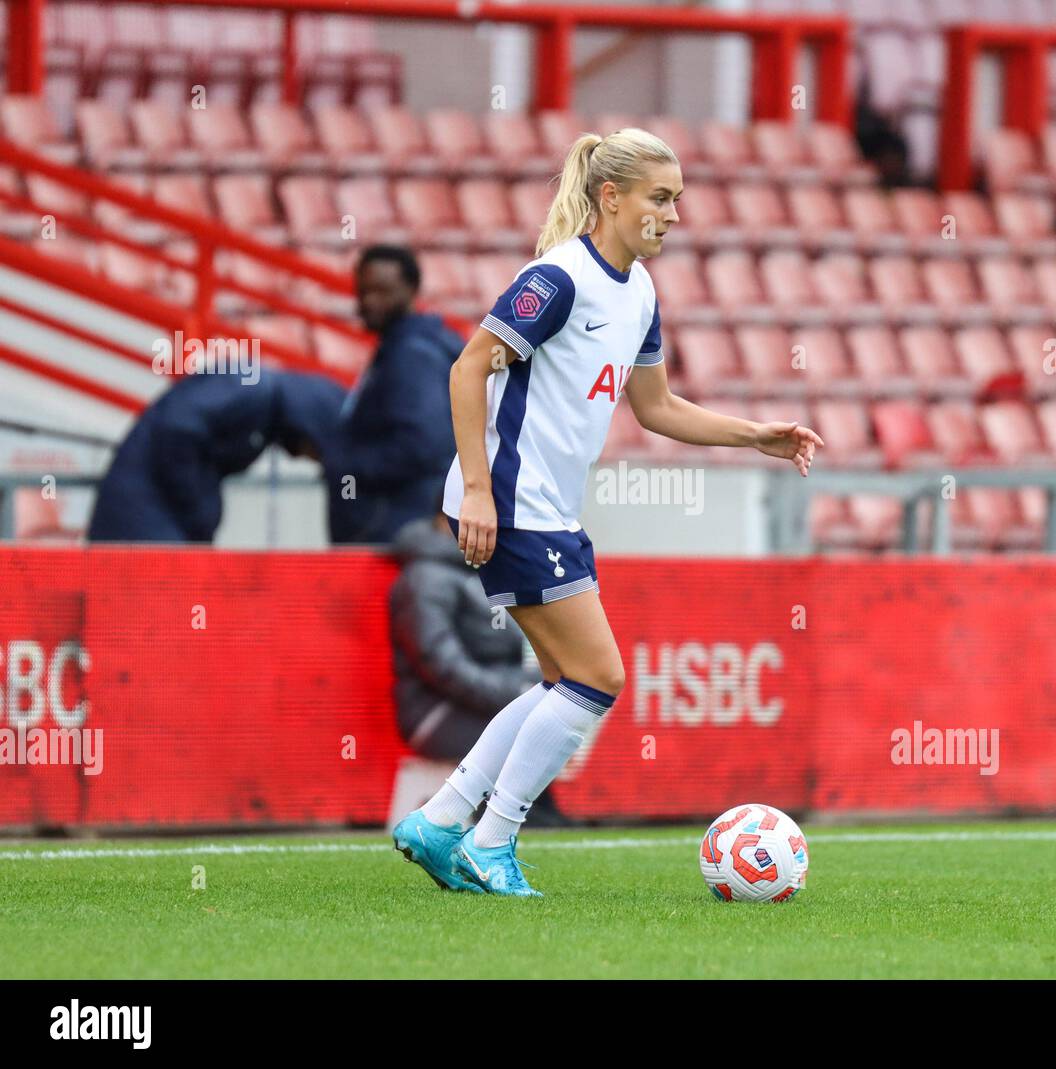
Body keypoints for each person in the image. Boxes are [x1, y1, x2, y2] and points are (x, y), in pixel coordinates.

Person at [392, 128, 823, 896]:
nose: (673, 214)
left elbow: (655, 408)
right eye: (660, 198)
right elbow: (468, 368)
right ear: (611, 197)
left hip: (546, 507)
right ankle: (492, 839)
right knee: (599, 676)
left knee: (562, 678)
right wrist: (484, 490)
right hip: (512, 502)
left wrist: (753, 433)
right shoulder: (555, 280)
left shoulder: (640, 293)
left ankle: (442, 817)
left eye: (679, 200)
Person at [388, 514, 573, 827]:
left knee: (552, 710)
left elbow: (520, 643)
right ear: (445, 520)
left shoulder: (484, 571)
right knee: (526, 724)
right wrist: (511, 694)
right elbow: (441, 664)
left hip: (483, 701)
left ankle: (535, 812)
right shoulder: (425, 578)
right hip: (434, 713)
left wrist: (527, 686)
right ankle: (518, 818)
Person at [87, 368, 344, 543]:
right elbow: (178, 426)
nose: (303, 457)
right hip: (141, 523)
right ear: (311, 424)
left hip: (153, 520)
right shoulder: (251, 388)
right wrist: (197, 509)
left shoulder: (263, 405)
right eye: (315, 452)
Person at [324, 245, 462, 544]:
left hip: (398, 528)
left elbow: (421, 445)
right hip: (402, 522)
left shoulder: (412, 355)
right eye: (364, 291)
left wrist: (345, 465)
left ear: (412, 290)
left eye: (382, 291)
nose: (369, 301)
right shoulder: (405, 346)